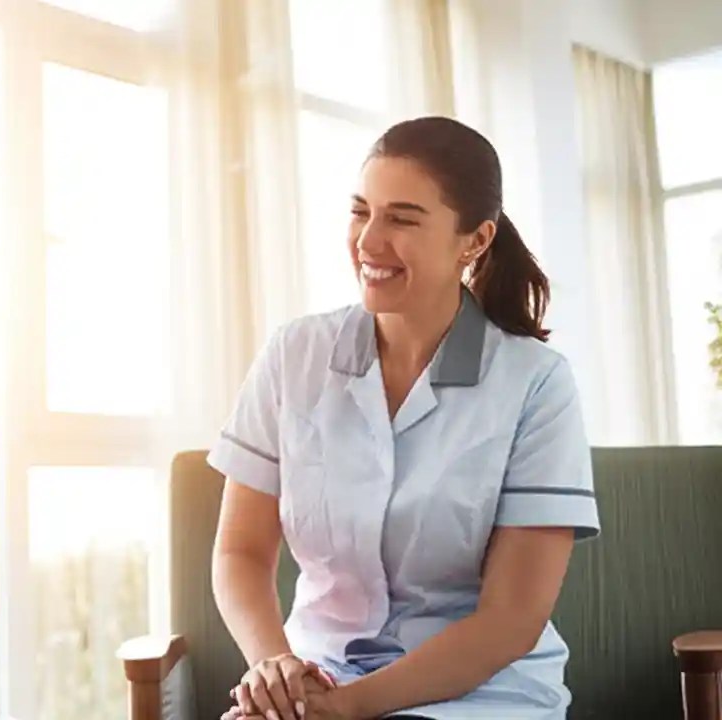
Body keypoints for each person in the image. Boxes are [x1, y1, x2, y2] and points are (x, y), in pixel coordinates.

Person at [210, 116, 599, 720]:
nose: (368, 241)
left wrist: (348, 708)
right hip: (318, 674)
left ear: (474, 240)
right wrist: (276, 672)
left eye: (402, 218)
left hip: (478, 692)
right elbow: (240, 551)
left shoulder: (536, 384)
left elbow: (510, 621)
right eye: (362, 211)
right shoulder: (294, 355)